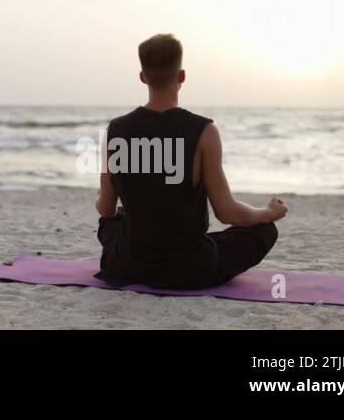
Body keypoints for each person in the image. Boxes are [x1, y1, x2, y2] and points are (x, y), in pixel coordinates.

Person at [95, 34, 288, 290]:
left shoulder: (115, 130)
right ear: (181, 76)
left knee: (112, 222)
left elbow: (105, 210)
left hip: (126, 265)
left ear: (142, 77)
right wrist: (268, 213)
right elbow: (227, 212)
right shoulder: (204, 131)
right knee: (265, 230)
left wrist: (103, 195)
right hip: (190, 268)